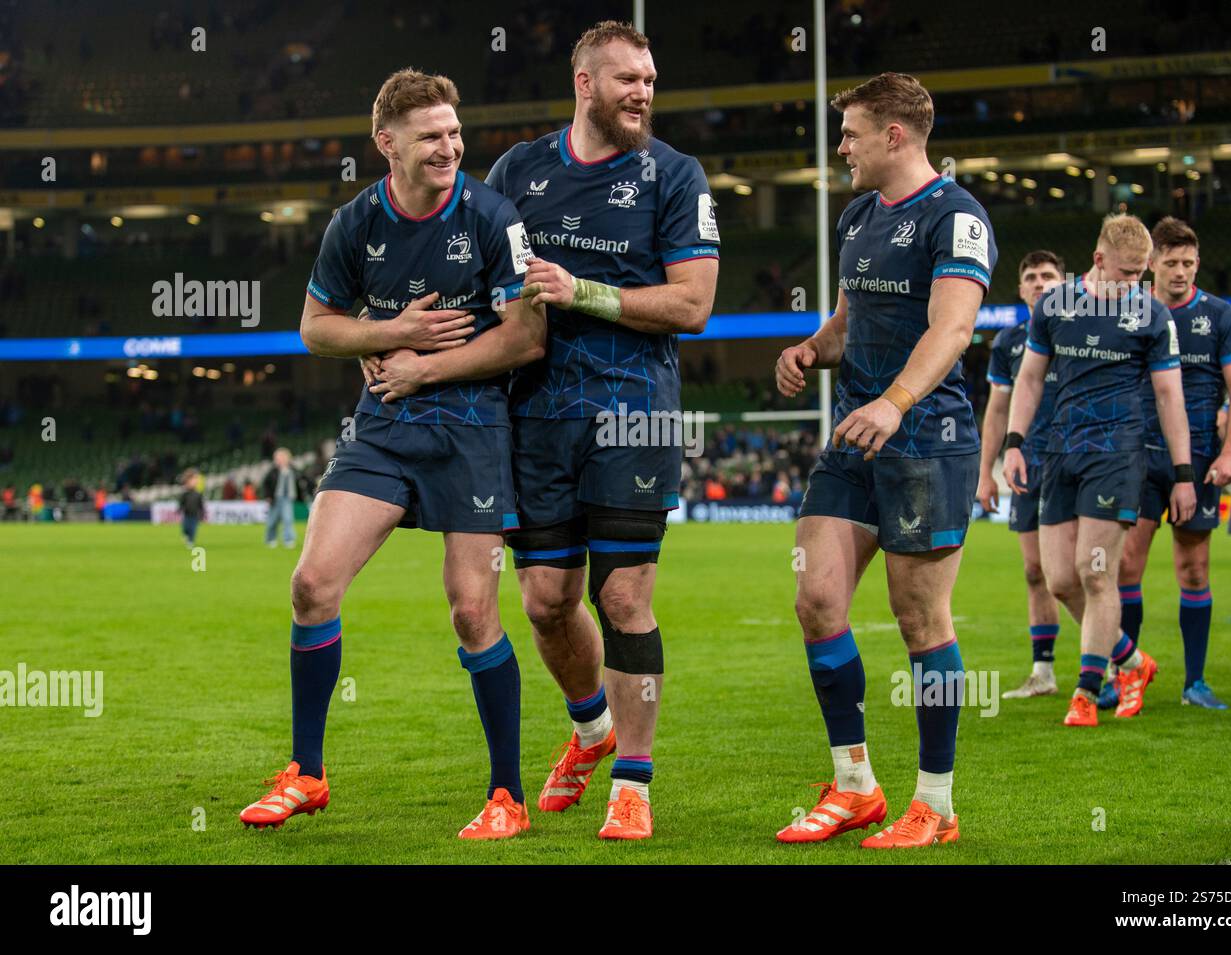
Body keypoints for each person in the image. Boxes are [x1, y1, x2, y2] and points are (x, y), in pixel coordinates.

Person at [239, 69, 546, 839]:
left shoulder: (492, 215)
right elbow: (316, 325)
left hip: (472, 425)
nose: (450, 147)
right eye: (431, 136)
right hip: (382, 423)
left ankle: (506, 794)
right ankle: (307, 773)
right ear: (388, 144)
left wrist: (425, 365)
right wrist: (387, 335)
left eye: (454, 133)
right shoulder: (354, 222)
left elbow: (526, 335)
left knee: (473, 609)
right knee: (312, 581)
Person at [485, 21, 719, 840]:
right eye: (627, 79)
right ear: (584, 84)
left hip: (635, 413)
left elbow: (692, 304)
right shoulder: (517, 170)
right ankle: (592, 730)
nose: (643, 93)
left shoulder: (676, 176)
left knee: (622, 594)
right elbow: (484, 276)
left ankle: (635, 780)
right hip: (537, 413)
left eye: (650, 80)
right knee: (547, 601)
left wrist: (580, 290)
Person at [773, 72, 995, 848]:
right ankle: (856, 784)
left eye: (852, 133)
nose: (842, 147)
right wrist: (811, 349)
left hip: (925, 440)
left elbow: (954, 328)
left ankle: (935, 801)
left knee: (919, 617)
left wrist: (894, 401)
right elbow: (847, 319)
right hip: (854, 441)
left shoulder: (957, 216)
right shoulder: (862, 214)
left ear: (895, 135)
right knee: (817, 599)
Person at [1004, 214, 1194, 727]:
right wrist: (1014, 443)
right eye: (1127, 273)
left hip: (1118, 453)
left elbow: (1169, 394)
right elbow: (1029, 380)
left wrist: (1182, 472)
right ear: (1097, 260)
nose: (1136, 284)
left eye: (1141, 274)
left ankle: (1087, 692)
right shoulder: (1055, 306)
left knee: (1095, 572)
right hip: (1060, 452)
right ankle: (1131, 661)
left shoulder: (1152, 316)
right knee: (1059, 579)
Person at [1110, 218, 1231, 710]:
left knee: (1193, 568)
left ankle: (1195, 682)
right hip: (1139, 457)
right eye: (1171, 263)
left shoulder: (1218, 315)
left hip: (1198, 461)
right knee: (1126, 564)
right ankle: (1124, 674)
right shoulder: (1130, 314)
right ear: (1151, 265)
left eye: (1189, 263)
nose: (1181, 272)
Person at [977, 250, 1079, 698]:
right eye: (1032, 277)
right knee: (1035, 572)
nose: (1040, 283)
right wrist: (986, 473)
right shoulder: (1008, 343)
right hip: (1026, 465)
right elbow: (997, 409)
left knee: (1081, 573)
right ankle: (1044, 672)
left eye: (1049, 276)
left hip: (1078, 463)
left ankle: (1115, 661)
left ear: (1065, 285)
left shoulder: (1084, 333)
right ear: (1020, 290)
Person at [261, 447, 300, 548]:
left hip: (287, 498)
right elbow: (266, 484)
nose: (279, 460)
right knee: (272, 520)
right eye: (277, 458)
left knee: (288, 519)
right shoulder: (272, 471)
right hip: (275, 498)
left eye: (281, 457)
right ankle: (270, 539)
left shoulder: (293, 470)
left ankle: (289, 539)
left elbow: (301, 480)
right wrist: (268, 496)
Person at [178, 469, 203, 548]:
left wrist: (202, 513)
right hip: (187, 513)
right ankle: (186, 535)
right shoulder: (185, 494)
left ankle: (191, 541)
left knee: (193, 529)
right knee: (185, 527)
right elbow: (182, 503)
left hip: (195, 514)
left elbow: (201, 505)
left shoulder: (198, 494)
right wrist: (180, 509)